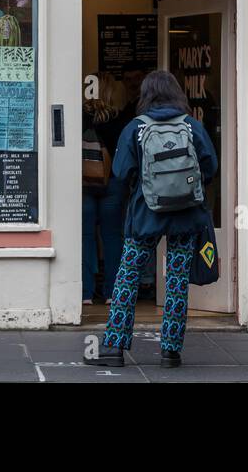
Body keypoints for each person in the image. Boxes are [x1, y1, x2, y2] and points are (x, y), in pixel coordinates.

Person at [84, 71, 219, 369]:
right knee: (176, 280)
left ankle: (114, 348)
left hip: (146, 213)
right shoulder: (192, 126)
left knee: (128, 276)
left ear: (146, 95)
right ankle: (171, 351)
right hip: (185, 215)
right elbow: (210, 166)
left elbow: (121, 172)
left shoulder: (136, 128)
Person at [81, 78, 127, 305]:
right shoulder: (119, 120)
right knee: (111, 237)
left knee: (85, 237)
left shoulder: (80, 116)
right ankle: (112, 292)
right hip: (114, 182)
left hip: (84, 182)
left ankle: (85, 293)